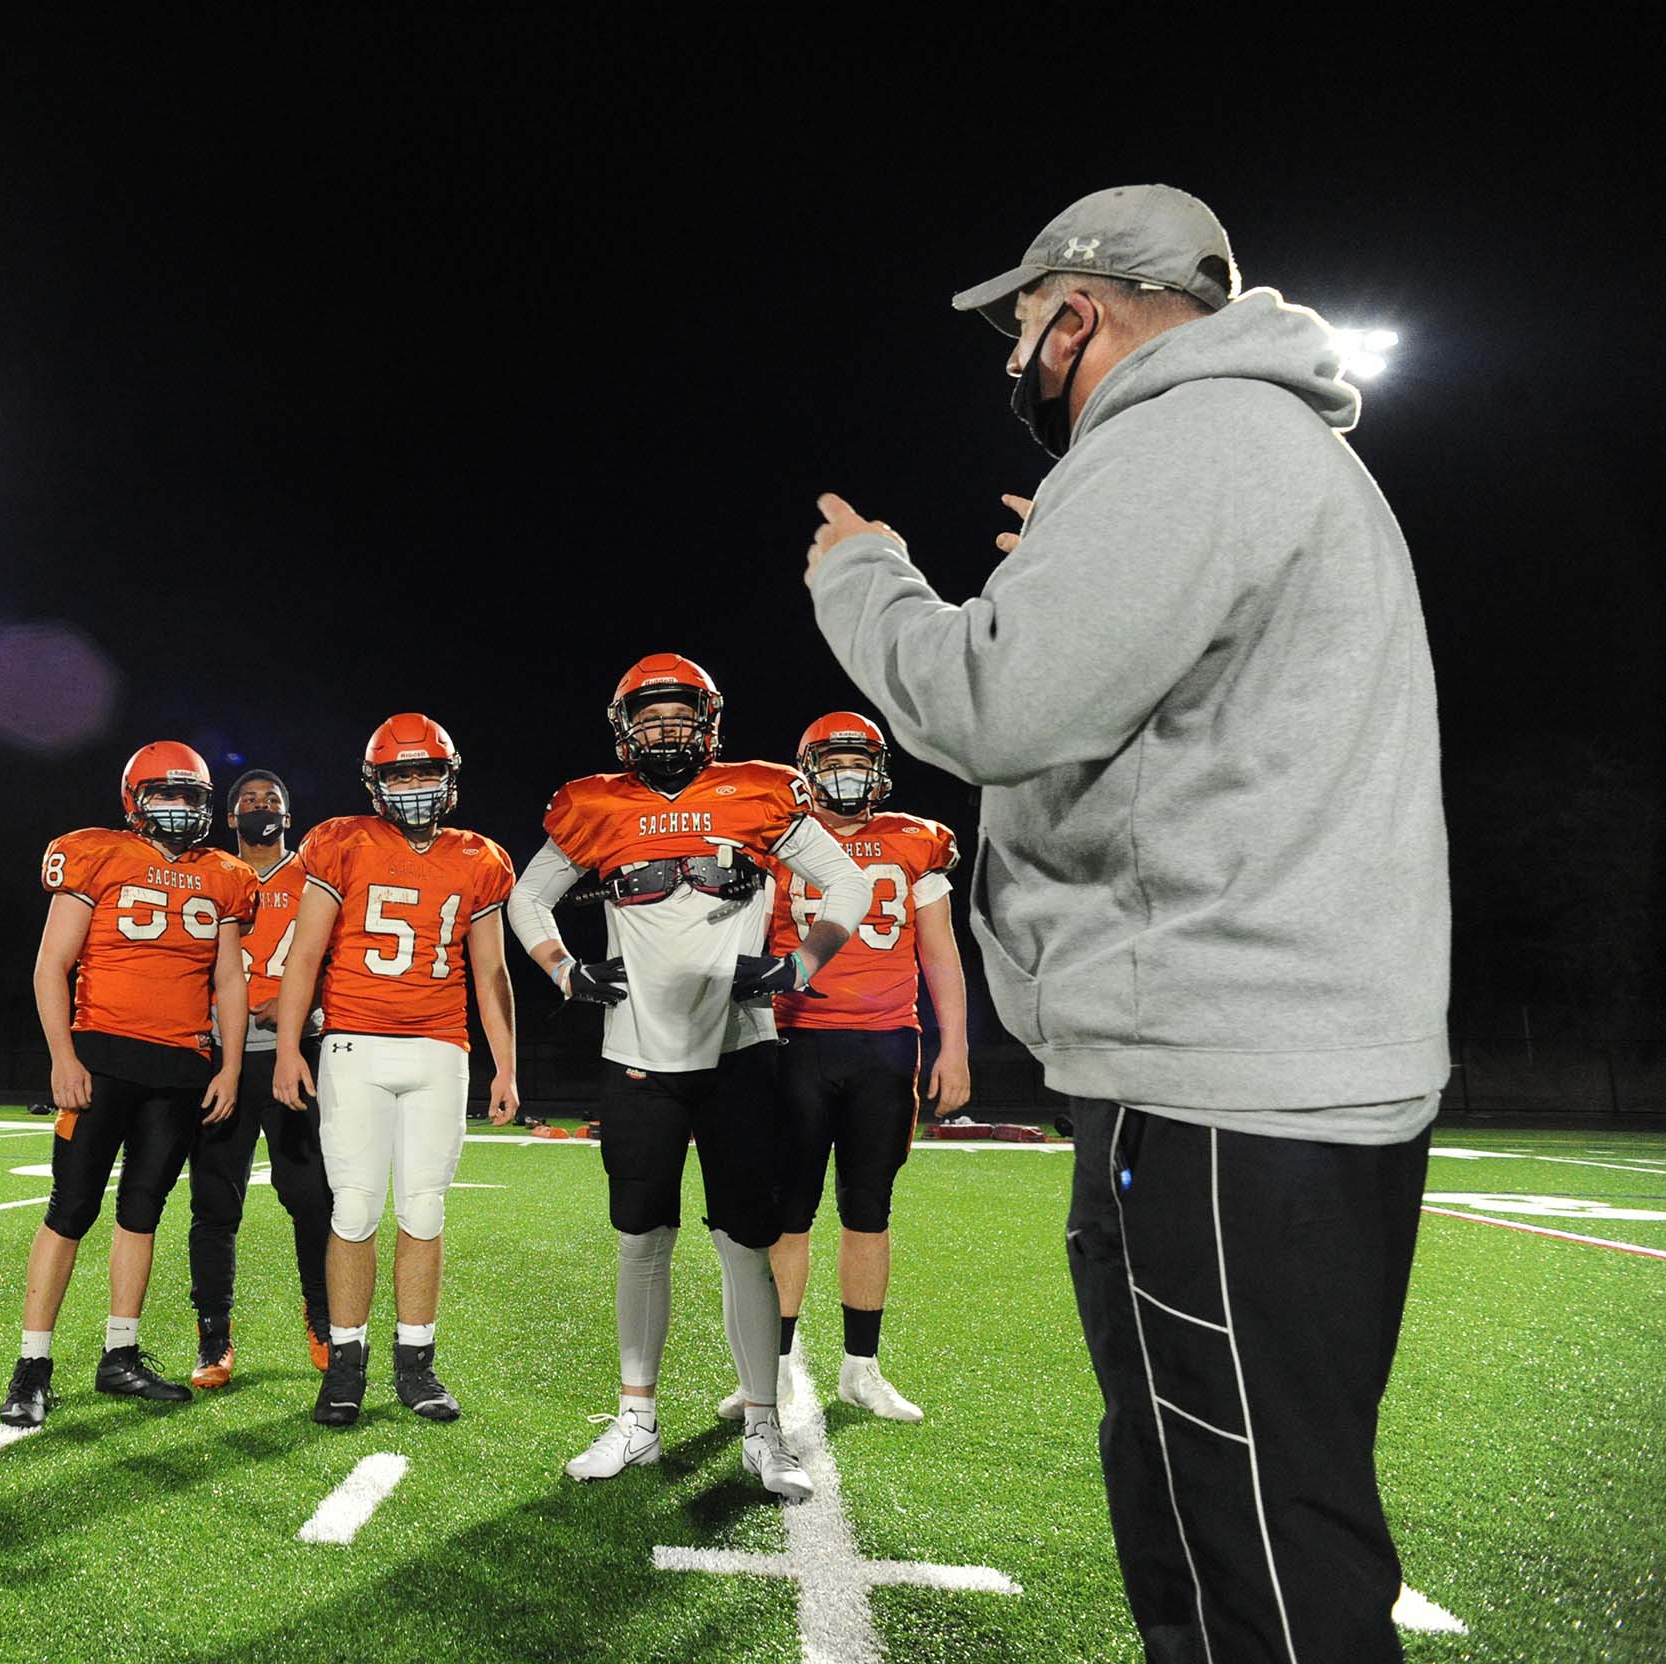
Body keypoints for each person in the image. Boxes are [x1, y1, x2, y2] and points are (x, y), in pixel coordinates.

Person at [805, 183, 1449, 1661]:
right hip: (1254, 1069)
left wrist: (864, 578)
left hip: (1223, 1081)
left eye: (1024, 325)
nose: (1018, 356)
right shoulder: (1249, 443)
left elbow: (990, 706)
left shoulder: (1188, 437)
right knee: (1208, 1515)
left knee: (1259, 1561)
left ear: (1076, 312)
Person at [505, 654, 871, 1499]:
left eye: (679, 715)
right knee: (641, 1241)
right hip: (637, 1056)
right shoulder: (593, 805)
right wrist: (563, 968)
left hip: (739, 1052)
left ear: (708, 722)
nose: (665, 730)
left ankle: (761, 1426)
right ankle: (636, 1418)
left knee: (745, 1242)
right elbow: (529, 901)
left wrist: (801, 965)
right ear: (624, 726)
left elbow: (846, 881)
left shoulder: (760, 791)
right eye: (651, 716)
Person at [716, 711, 966, 1427]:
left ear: (879, 768)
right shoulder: (780, 844)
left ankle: (863, 1369)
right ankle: (775, 1368)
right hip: (795, 1040)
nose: (845, 773)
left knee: (869, 1208)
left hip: (887, 1045)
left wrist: (956, 1047)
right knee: (787, 1212)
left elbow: (939, 952)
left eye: (858, 760)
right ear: (807, 770)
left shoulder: (918, 841)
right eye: (832, 761)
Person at [270, 715, 519, 1426]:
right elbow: (306, 956)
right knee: (352, 1208)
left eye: (426, 773)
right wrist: (289, 1047)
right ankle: (345, 1366)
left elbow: (491, 971)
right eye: (400, 774)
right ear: (376, 783)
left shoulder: (480, 857)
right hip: (355, 1045)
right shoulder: (340, 841)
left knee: (424, 1208)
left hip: (441, 1049)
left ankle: (417, 1364)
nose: (414, 788)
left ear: (450, 778)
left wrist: (506, 1066)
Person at [0, 743, 257, 1425]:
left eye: (192, 796)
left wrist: (229, 1064)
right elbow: (51, 964)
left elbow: (230, 979)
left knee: (142, 1209)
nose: (180, 808)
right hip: (101, 1058)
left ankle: (120, 1355)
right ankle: (32, 1365)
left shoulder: (226, 874)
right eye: (165, 794)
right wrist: (63, 1056)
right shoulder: (95, 853)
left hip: (179, 1068)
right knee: (71, 1206)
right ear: (134, 799)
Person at [184, 768, 336, 1388]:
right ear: (229, 817)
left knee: (310, 1196)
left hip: (298, 1052)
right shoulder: (210, 873)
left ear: (288, 814)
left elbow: (345, 955)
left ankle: (323, 1318)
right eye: (247, 801)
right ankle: (214, 1335)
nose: (259, 807)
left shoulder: (314, 875)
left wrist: (301, 1004)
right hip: (225, 1058)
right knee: (215, 1202)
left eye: (272, 799)